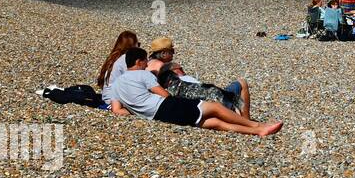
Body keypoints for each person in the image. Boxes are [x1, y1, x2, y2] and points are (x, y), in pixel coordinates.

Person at [110, 49, 282, 136]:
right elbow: (164, 95)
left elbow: (117, 110)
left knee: (214, 123)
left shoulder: (116, 84)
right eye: (145, 62)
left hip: (158, 117)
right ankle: (256, 126)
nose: (147, 65)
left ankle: (256, 132)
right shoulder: (142, 74)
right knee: (214, 107)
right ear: (139, 61)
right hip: (165, 106)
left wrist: (138, 108)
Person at [146, 36, 250, 117]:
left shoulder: (148, 64)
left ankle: (244, 118)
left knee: (227, 94)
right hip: (199, 97)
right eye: (172, 51)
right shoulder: (160, 66)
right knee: (241, 83)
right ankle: (247, 121)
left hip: (191, 96)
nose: (174, 54)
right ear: (163, 53)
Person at [96, 30, 140, 105]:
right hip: (114, 100)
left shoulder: (113, 57)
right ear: (132, 45)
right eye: (138, 44)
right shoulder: (125, 59)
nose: (139, 47)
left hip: (107, 95)